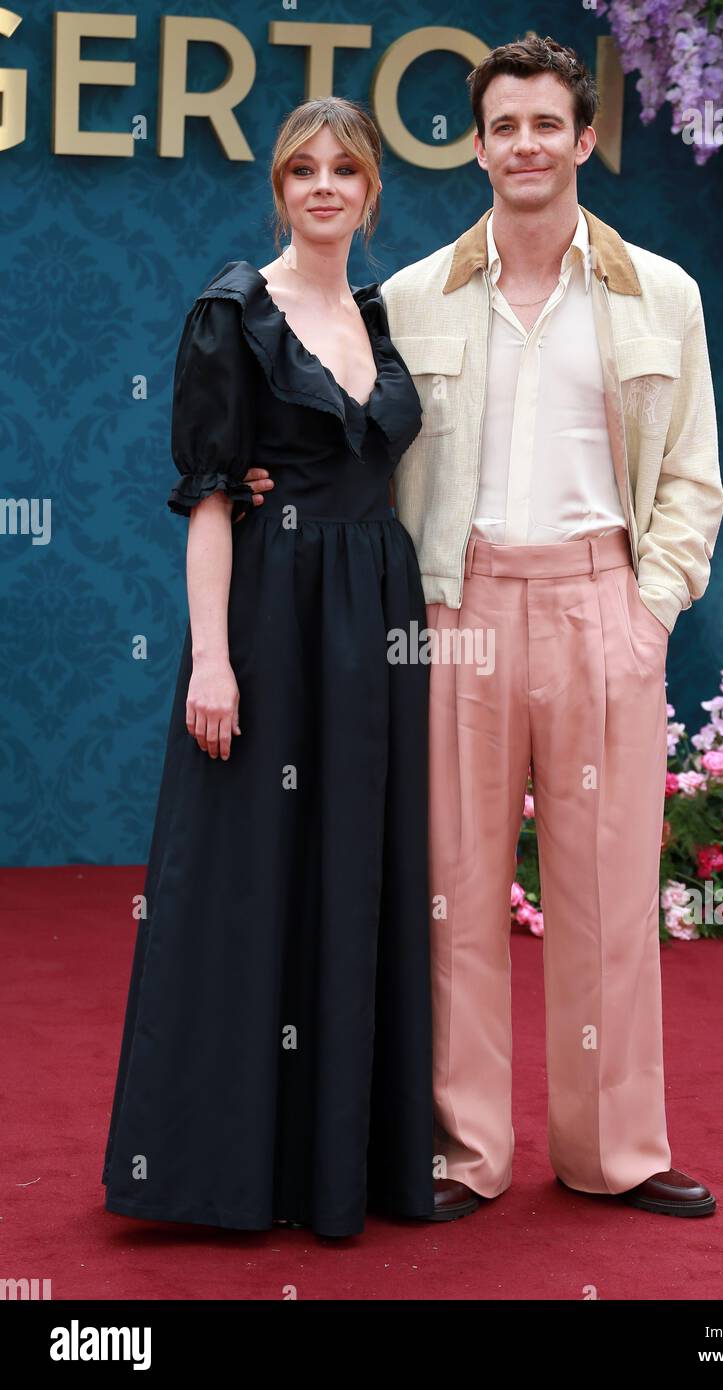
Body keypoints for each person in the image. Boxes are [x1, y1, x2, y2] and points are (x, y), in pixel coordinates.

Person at [246, 34, 723, 1219]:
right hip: (452, 611)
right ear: (474, 144)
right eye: (502, 126)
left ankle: (612, 1150)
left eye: (545, 125)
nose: (525, 145)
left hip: (601, 605)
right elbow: (337, 432)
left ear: (583, 138)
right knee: (450, 893)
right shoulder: (406, 296)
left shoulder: (662, 293)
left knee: (610, 896)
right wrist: (267, 480)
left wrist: (647, 607)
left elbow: (695, 482)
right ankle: (463, 1151)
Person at [101, 97, 452, 1237]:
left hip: (374, 617)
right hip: (269, 620)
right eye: (301, 169)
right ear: (278, 189)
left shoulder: (376, 312)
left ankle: (341, 1163)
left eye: (344, 169)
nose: (323, 187)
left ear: (370, 191)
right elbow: (208, 499)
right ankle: (223, 1170)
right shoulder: (229, 313)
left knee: (358, 868)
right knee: (247, 877)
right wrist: (211, 659)